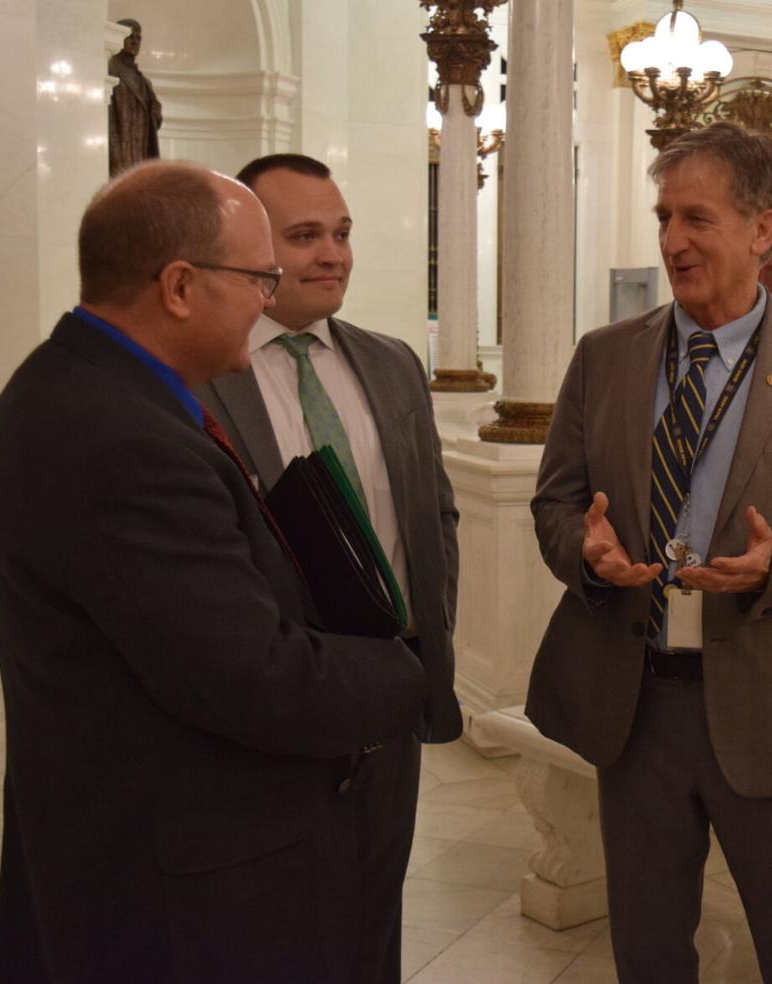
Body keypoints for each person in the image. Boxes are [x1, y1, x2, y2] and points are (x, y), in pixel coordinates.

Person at [0, 161, 430, 983]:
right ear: (179, 286)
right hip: (177, 882)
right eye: (258, 277)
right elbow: (254, 676)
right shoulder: (122, 440)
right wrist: (404, 672)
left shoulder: (88, 389)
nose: (268, 299)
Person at [528, 122, 772, 983]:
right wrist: (587, 555)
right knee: (648, 956)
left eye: (696, 218)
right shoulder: (604, 358)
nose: (671, 241)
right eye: (664, 217)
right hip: (638, 706)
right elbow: (555, 503)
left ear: (763, 229)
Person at [195, 152, 461, 984]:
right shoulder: (201, 377)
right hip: (274, 711)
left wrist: (421, 651)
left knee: (373, 922)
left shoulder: (391, 364)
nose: (332, 254)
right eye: (304, 236)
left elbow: (433, 515)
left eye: (340, 233)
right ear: (250, 250)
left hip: (387, 701)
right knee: (276, 939)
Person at [106, 19, 162, 175]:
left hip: (141, 149)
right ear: (119, 38)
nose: (134, 41)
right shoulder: (110, 68)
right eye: (130, 36)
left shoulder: (143, 81)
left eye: (138, 37)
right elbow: (106, 116)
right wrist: (115, 156)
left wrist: (155, 112)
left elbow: (154, 120)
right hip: (121, 150)